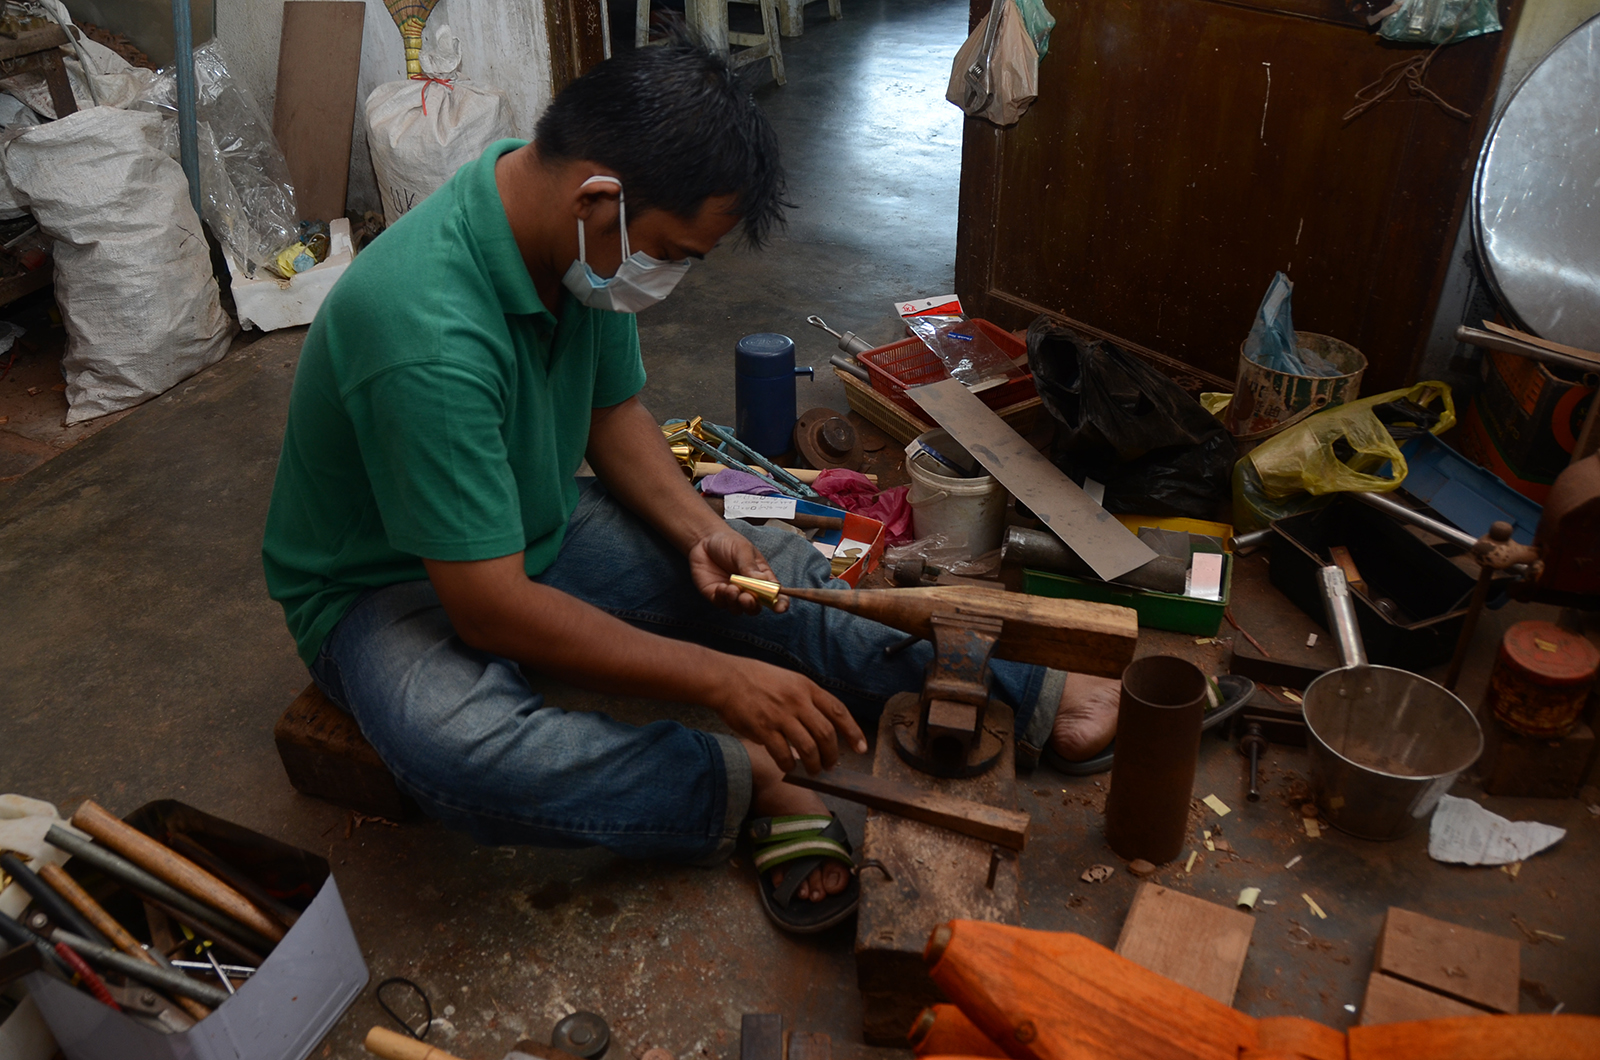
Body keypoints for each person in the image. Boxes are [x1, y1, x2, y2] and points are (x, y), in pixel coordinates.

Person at [262, 31, 1117, 934]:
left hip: (525, 528)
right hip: (384, 589)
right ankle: (744, 783)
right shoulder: (424, 333)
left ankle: (1023, 691)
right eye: (671, 251)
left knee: (768, 567)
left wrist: (693, 529)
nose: (666, 275)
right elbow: (488, 610)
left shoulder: (571, 243)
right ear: (601, 199)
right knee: (462, 754)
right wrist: (719, 681)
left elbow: (611, 416)